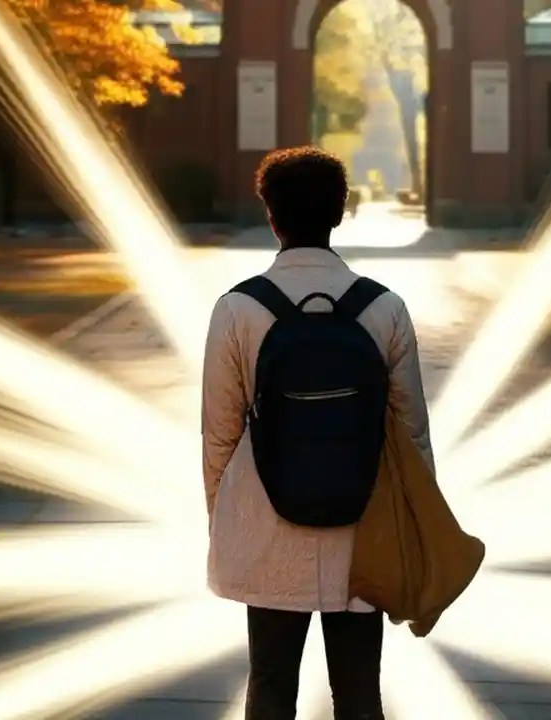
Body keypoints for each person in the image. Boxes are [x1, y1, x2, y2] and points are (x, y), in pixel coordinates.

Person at [201, 146, 434, 720]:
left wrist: (227, 519)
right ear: (340, 213)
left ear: (271, 216)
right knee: (359, 692)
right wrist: (417, 530)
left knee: (271, 684)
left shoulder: (237, 310)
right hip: (363, 532)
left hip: (268, 524)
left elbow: (219, 436)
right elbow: (412, 435)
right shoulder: (384, 308)